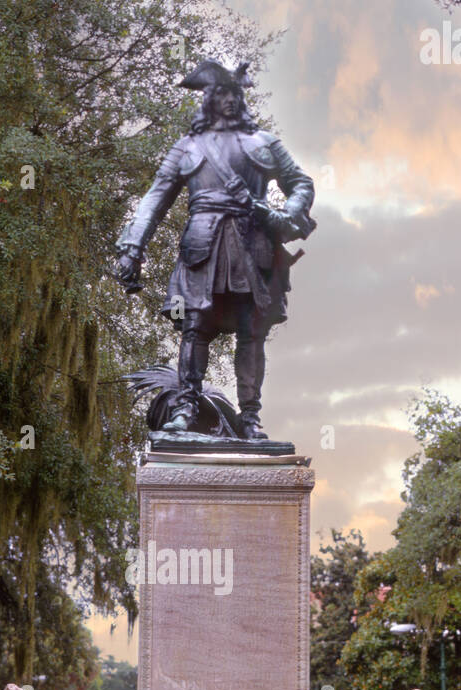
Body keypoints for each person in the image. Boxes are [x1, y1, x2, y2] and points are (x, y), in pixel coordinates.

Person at [115, 60, 315, 440]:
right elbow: (154, 200)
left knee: (250, 331)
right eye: (220, 93)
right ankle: (186, 408)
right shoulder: (187, 147)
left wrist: (287, 214)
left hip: (253, 243)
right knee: (195, 326)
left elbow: (301, 183)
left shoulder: (265, 143)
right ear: (207, 99)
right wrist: (132, 246)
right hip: (202, 246)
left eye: (234, 94)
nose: (228, 100)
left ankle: (251, 417)